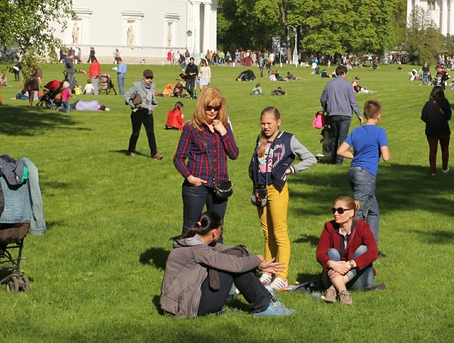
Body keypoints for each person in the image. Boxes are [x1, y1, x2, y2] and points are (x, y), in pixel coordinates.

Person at [160, 211, 294, 318]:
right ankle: (264, 306)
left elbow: (234, 250)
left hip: (179, 303)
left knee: (232, 259)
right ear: (214, 232)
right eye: (221, 228)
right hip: (189, 306)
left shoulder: (193, 242)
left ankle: (264, 302)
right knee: (233, 266)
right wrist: (258, 259)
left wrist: (258, 263)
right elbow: (237, 265)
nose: (221, 231)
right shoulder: (198, 249)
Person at [250, 106, 317, 292]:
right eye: (262, 123)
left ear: (278, 122)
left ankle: (282, 276)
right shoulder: (260, 138)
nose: (265, 127)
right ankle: (269, 271)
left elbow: (310, 158)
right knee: (267, 233)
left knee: (279, 232)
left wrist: (291, 170)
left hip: (277, 189)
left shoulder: (288, 139)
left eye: (269, 123)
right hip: (260, 190)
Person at [174, 87, 239, 239]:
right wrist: (190, 178)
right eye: (208, 107)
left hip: (219, 187)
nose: (212, 111)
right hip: (197, 186)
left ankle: (216, 262)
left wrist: (223, 132)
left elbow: (234, 154)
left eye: (216, 108)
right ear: (202, 106)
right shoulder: (192, 128)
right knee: (190, 229)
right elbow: (179, 157)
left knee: (216, 231)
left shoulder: (224, 126)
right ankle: (183, 262)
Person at [336, 100, 389, 253]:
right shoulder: (380, 132)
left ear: (365, 114)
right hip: (367, 176)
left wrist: (354, 156)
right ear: (378, 116)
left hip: (353, 172)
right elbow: (386, 157)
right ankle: (349, 248)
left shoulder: (357, 131)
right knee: (358, 213)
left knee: (373, 212)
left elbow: (340, 151)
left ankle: (372, 248)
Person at [316, 198, 384, 305]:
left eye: (340, 210)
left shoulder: (362, 227)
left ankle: (333, 288)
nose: (335, 214)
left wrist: (350, 264)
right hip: (331, 276)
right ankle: (343, 292)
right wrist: (332, 263)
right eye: (334, 210)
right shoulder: (329, 227)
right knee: (332, 253)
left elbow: (373, 252)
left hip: (358, 279)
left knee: (363, 250)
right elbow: (320, 253)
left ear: (351, 212)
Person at [320, 65, 363, 165]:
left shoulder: (329, 84)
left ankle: (334, 159)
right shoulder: (348, 85)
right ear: (344, 73)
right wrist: (359, 114)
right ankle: (339, 161)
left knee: (334, 137)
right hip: (346, 114)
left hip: (333, 113)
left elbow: (322, 99)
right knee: (343, 138)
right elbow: (353, 101)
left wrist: (327, 108)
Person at [124, 69, 161, 159]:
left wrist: (153, 106)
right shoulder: (136, 85)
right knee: (136, 133)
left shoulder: (153, 86)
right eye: (147, 77)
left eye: (151, 78)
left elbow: (152, 100)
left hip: (148, 112)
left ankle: (154, 154)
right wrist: (134, 105)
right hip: (137, 112)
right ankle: (131, 151)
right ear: (143, 77)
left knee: (151, 133)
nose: (149, 80)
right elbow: (126, 96)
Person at [420, 86, 452, 175]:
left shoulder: (428, 104)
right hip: (443, 129)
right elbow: (448, 116)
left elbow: (423, 117)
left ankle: (433, 171)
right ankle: (445, 168)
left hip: (431, 130)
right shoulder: (445, 102)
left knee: (433, 151)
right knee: (445, 149)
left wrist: (430, 121)